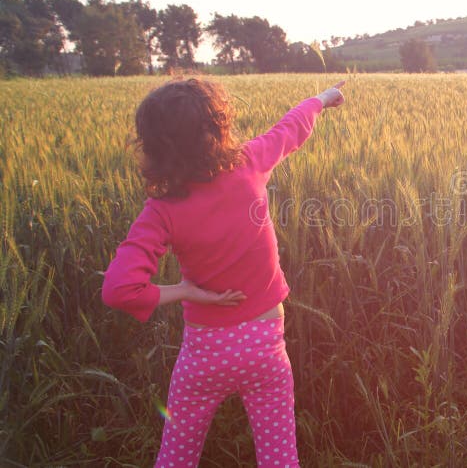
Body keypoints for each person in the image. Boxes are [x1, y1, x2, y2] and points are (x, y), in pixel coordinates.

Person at [101, 77, 345, 467]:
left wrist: (185, 291)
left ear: (154, 148)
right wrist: (322, 98)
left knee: (176, 458)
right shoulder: (250, 162)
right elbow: (289, 129)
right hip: (265, 348)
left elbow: (118, 289)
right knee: (279, 459)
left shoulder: (160, 211)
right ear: (217, 127)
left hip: (204, 356)